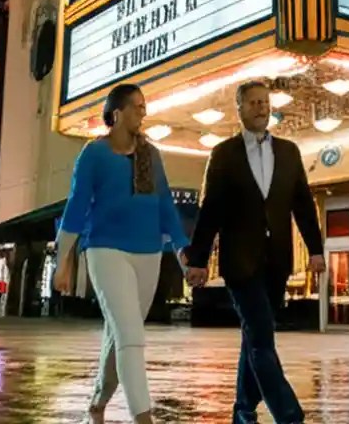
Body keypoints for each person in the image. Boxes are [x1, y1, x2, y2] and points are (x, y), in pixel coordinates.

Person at [183, 80, 326, 424]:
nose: (262, 107)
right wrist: (199, 259)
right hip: (240, 262)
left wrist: (315, 250)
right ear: (240, 109)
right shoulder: (224, 153)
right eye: (254, 103)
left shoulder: (290, 152)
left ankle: (243, 411)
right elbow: (211, 209)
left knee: (255, 336)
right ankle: (288, 414)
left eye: (265, 102)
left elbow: (303, 205)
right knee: (261, 335)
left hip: (277, 261)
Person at [52, 82, 190, 424]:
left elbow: (165, 206)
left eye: (144, 106)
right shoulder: (93, 154)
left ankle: (97, 403)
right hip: (105, 250)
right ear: (117, 114)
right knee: (131, 335)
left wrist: (182, 249)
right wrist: (62, 262)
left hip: (149, 254)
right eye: (137, 107)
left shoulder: (150, 155)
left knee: (121, 337)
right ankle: (144, 419)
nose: (143, 113)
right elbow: (76, 206)